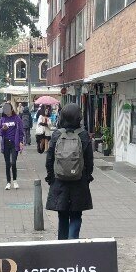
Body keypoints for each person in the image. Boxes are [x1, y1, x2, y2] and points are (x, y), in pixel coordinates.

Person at [45, 102, 93, 240]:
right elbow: (89, 161)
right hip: (79, 182)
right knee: (76, 216)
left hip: (59, 182)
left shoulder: (56, 135)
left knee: (63, 216)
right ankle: (73, 245)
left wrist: (50, 177)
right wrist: (87, 176)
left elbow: (49, 160)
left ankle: (62, 248)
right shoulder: (84, 135)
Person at [0, 101, 25, 190]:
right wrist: (3, 129)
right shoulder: (2, 119)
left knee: (13, 162)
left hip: (14, 143)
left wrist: (21, 141)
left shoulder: (17, 118)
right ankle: (8, 182)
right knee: (7, 163)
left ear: (11, 109)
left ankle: (15, 181)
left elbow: (21, 131)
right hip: (5, 143)